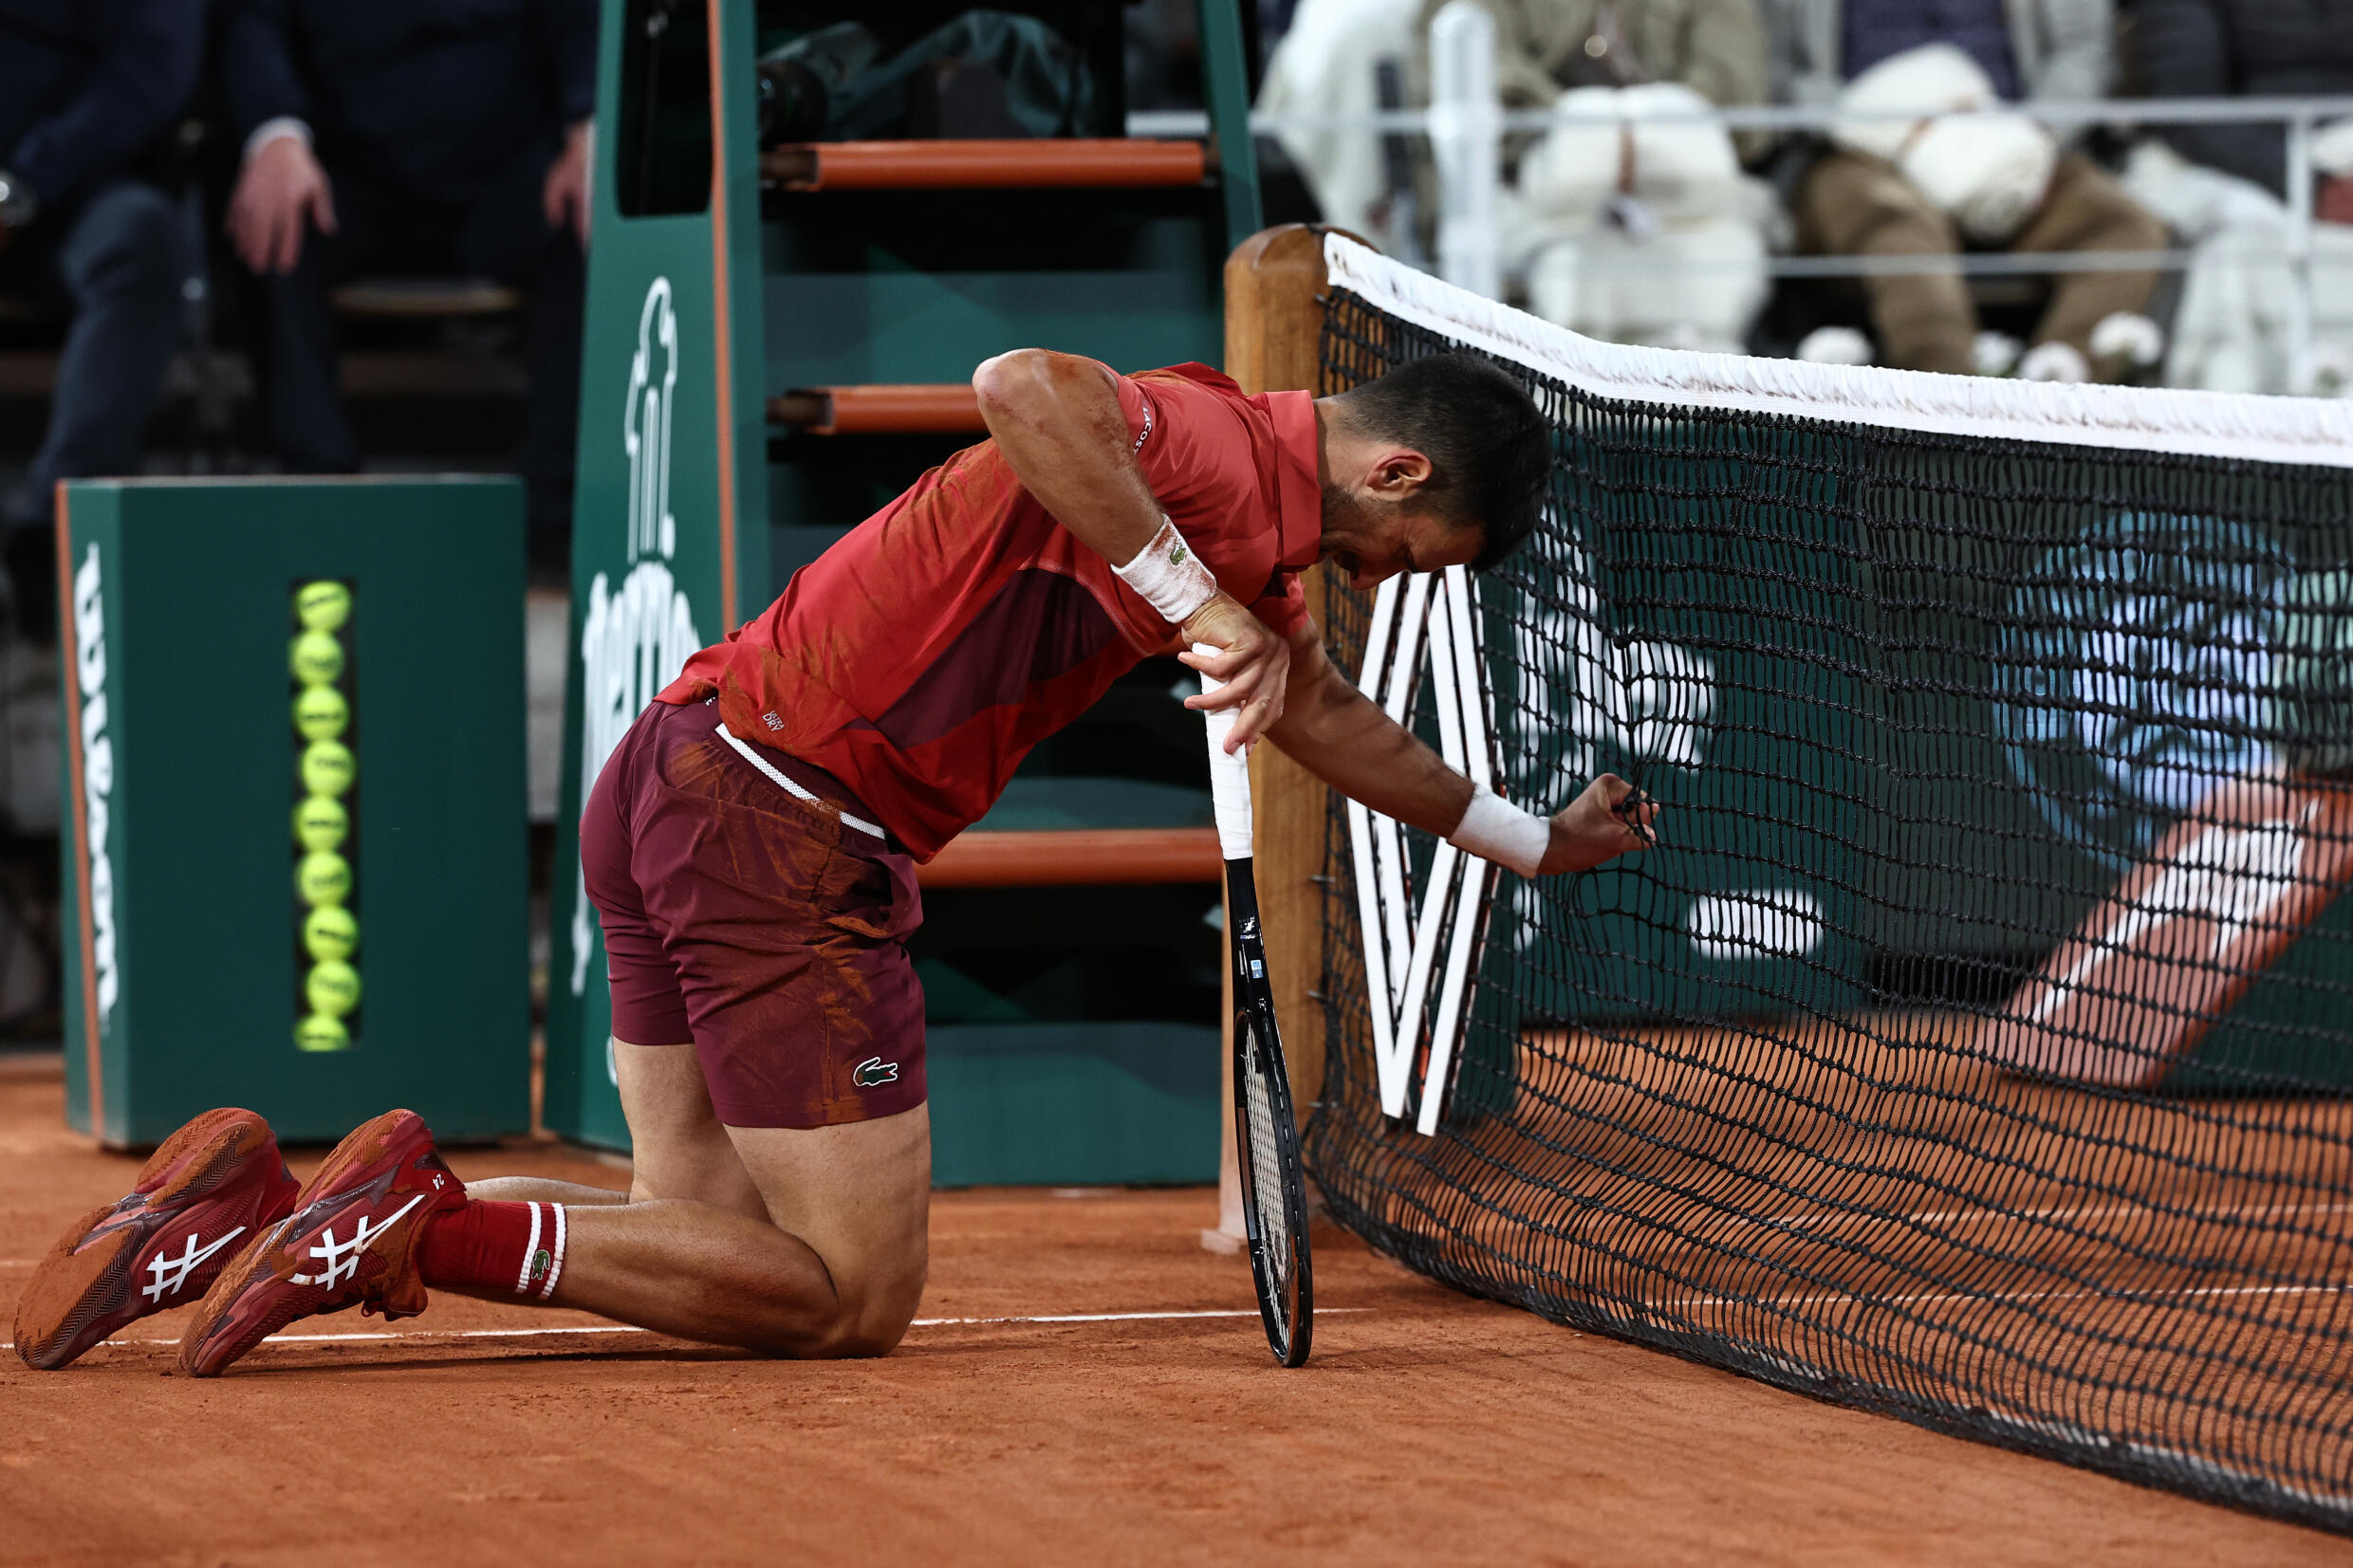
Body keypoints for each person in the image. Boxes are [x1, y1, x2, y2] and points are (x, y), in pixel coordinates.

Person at [13, 348, 1659, 1374]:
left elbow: (1313, 707)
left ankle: (259, 1211)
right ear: (1393, 472)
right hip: (788, 830)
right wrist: (1195, 593)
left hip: (676, 768)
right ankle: (408, 1232)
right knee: (847, 1293)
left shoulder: (1254, 543)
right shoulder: (1216, 461)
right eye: (1400, 550)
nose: (1375, 574)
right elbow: (1026, 387)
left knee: (698, 1243)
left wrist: (1525, 839)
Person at [219, 0, 595, 564]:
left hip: (503, 178)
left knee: (590, 218)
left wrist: (588, 122)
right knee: (273, 220)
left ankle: (552, 519)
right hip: (350, 179)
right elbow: (253, 22)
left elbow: (578, 21)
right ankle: (319, 500)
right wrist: (276, 134)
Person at [1762, 0, 2168, 379]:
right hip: (1863, 153)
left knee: (2124, 229)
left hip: (2018, 143)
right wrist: (1871, 124)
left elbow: (2083, 51)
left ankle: (2052, 410)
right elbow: (1772, 67)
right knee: (1900, 237)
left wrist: (2035, 135)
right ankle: (1947, 422)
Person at [0, 0, 205, 638]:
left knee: (142, 240)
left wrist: (23, 182)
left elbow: (153, 67)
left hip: (73, 187)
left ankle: (57, 532)